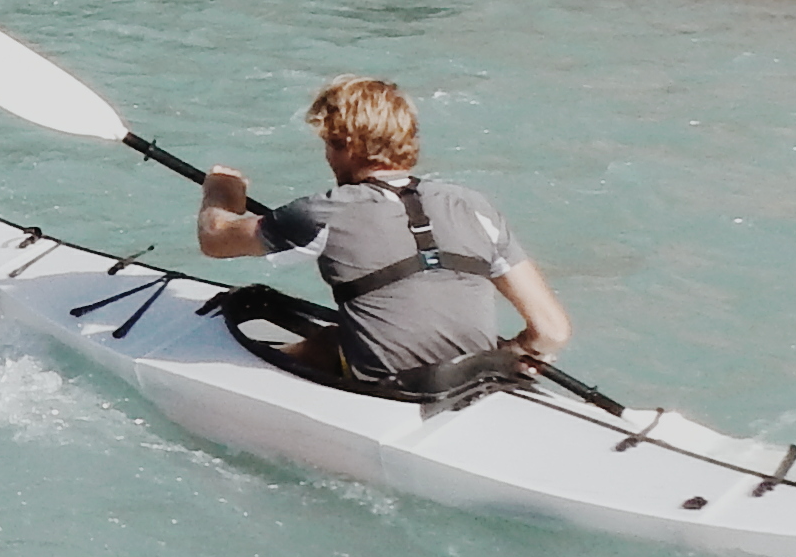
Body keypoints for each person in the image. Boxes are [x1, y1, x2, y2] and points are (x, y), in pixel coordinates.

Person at [192, 75, 573, 392]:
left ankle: (252, 386)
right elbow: (551, 332)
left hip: (393, 388)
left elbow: (215, 238)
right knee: (333, 340)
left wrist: (220, 192)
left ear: (349, 145)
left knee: (329, 346)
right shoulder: (474, 206)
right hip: (477, 376)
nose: (326, 156)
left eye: (328, 143)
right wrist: (510, 350)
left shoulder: (323, 211)